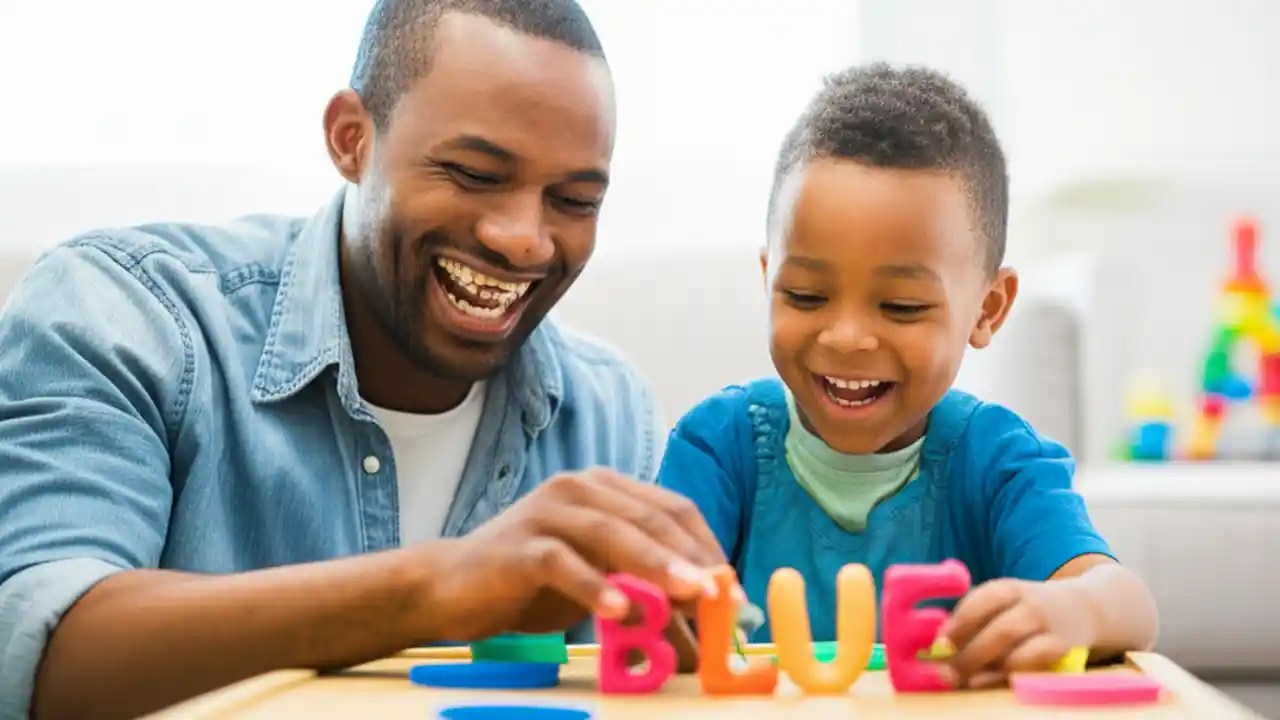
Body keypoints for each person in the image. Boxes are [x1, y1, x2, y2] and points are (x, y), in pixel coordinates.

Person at [0, 2, 728, 718]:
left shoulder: (611, 415)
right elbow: (42, 663)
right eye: (474, 174)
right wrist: (436, 587)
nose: (524, 240)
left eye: (572, 199)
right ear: (351, 139)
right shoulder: (125, 313)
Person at [656, 64, 1160, 689]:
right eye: (806, 295)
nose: (845, 337)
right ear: (768, 279)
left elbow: (1129, 604)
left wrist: (1074, 609)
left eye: (901, 307)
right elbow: (648, 604)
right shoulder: (719, 445)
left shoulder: (998, 461)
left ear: (988, 308)